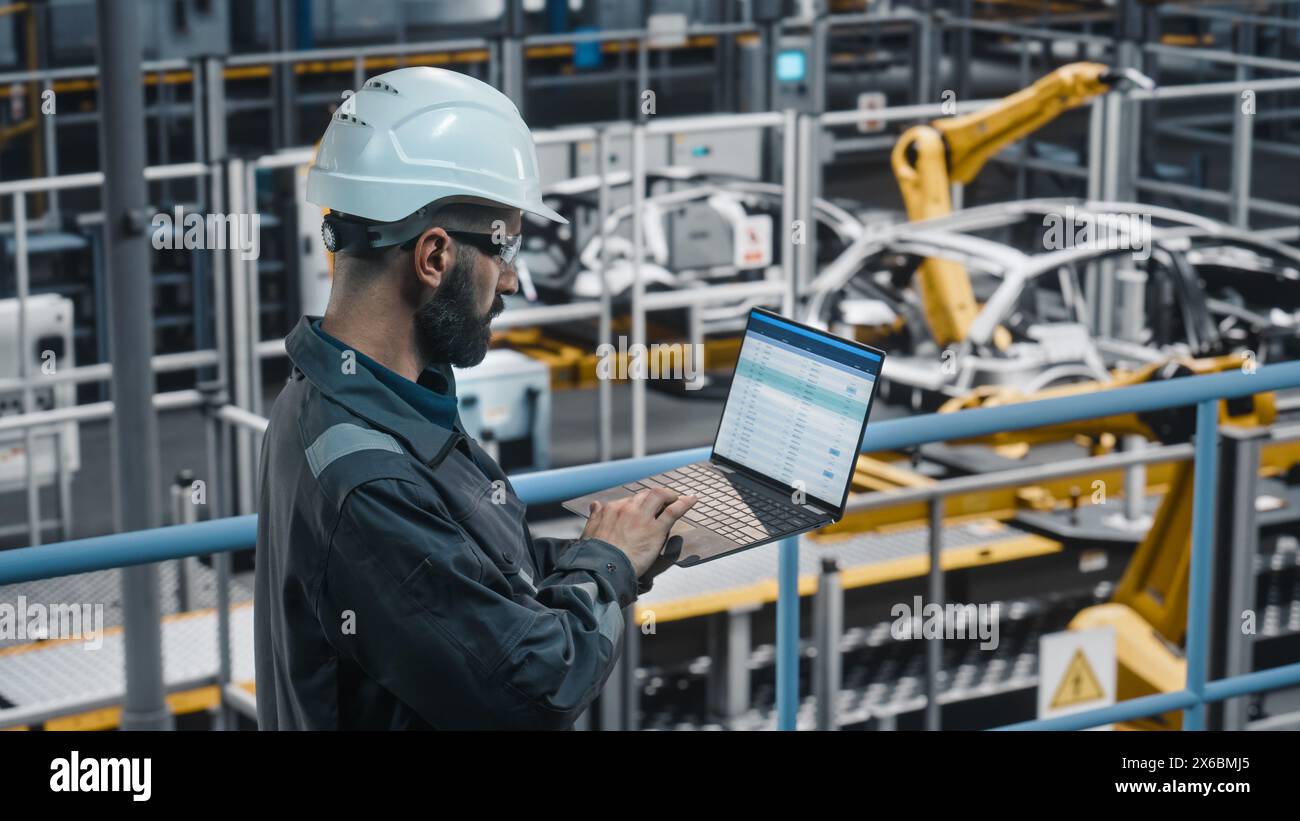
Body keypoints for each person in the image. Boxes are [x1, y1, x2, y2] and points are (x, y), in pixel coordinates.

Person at [254, 66, 695, 730]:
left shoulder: (344, 399)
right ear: (434, 257)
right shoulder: (367, 476)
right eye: (504, 246)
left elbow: (464, 579)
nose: (513, 279)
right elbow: (537, 687)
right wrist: (604, 570)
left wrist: (606, 552)